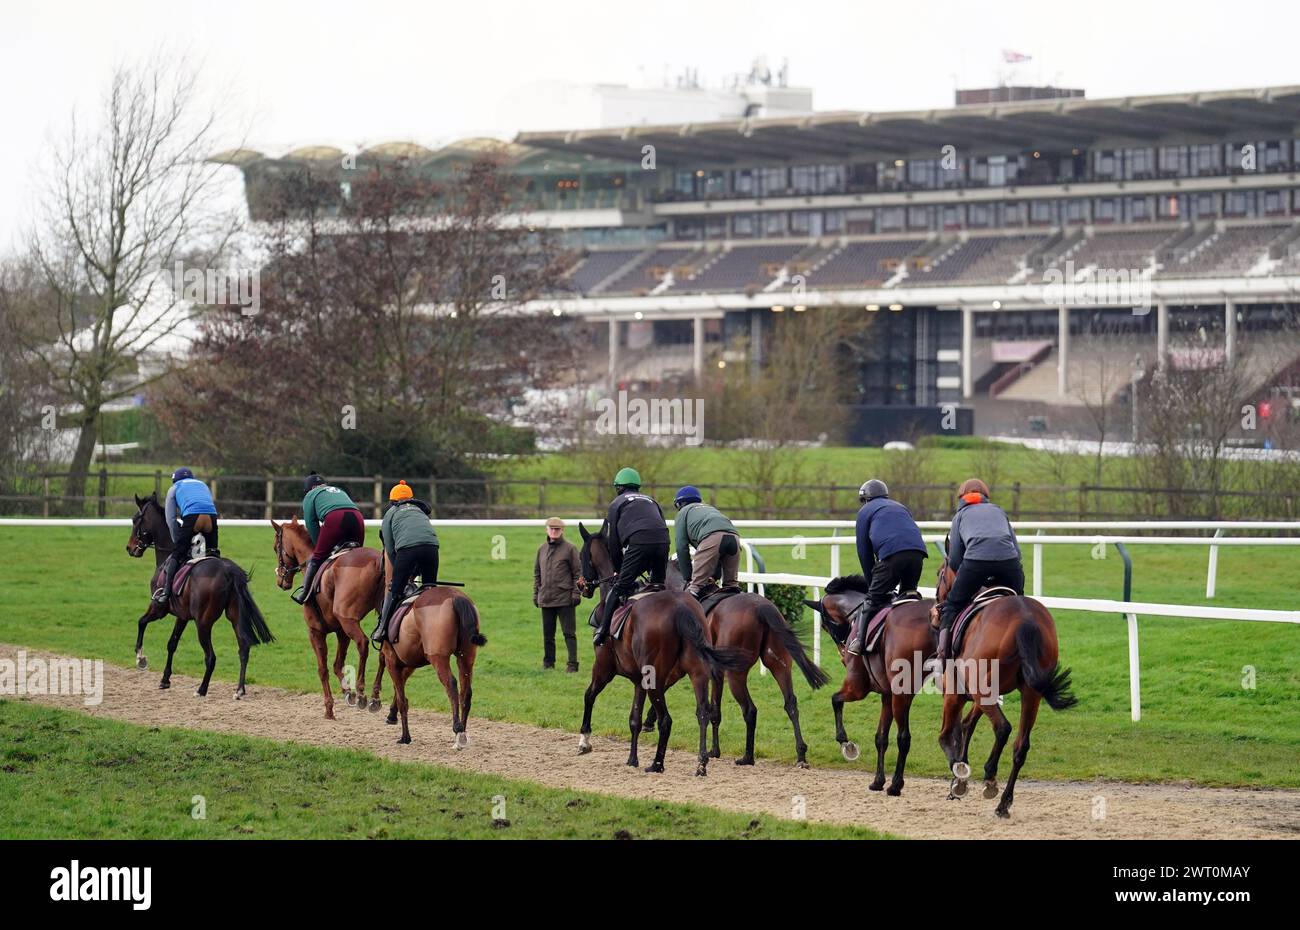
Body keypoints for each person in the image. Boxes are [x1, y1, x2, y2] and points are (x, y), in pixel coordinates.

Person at [936, 478, 1023, 662]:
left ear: (961, 497)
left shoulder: (959, 516)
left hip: (975, 564)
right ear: (986, 496)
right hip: (1010, 564)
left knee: (951, 606)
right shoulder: (999, 511)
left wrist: (970, 578)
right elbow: (1018, 551)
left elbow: (955, 558)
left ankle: (942, 656)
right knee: (1019, 604)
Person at [847, 478, 928, 655]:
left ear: (865, 499)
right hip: (918, 554)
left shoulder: (864, 512)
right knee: (908, 598)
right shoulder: (900, 506)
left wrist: (872, 584)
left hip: (891, 556)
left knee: (872, 599)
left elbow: (864, 553)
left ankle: (859, 642)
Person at [593, 467, 669, 647]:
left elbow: (613, 542)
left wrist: (618, 570)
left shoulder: (617, 503)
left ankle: (602, 631)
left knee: (619, 587)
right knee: (657, 586)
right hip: (663, 541)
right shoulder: (652, 501)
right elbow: (660, 527)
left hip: (639, 542)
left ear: (619, 487)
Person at [373, 480, 439, 645]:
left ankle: (382, 629)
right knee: (429, 588)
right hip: (432, 549)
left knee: (394, 589)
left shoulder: (391, 513)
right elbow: (424, 537)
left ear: (392, 501)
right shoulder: (419, 510)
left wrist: (401, 573)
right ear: (411, 498)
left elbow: (389, 547)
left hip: (408, 551)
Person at [293, 473, 366, 605]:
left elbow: (311, 524)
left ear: (309, 488)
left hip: (335, 517)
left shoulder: (310, 495)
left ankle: (304, 593)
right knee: (357, 555)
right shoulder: (339, 490)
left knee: (317, 556)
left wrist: (319, 546)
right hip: (357, 517)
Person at [153, 467, 219, 603]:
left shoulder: (174, 488)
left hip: (192, 517)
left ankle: (166, 592)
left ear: (174, 480)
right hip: (211, 518)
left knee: (177, 554)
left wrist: (177, 541)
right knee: (212, 554)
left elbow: (170, 520)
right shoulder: (202, 485)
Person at [672, 486, 741, 600]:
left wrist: (689, 577)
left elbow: (681, 548)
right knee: (731, 586)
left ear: (679, 504)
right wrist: (715, 576)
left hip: (712, 538)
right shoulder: (710, 508)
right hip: (734, 538)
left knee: (694, 589)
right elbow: (718, 552)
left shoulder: (683, 512)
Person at [534, 517, 581, 671]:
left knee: (569, 634)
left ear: (562, 531)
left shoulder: (570, 548)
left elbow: (578, 573)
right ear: (546, 530)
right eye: (551, 528)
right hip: (546, 599)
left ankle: (572, 664)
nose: (554, 531)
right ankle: (548, 663)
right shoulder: (541, 549)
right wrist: (536, 594)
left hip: (565, 598)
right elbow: (537, 574)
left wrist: (576, 593)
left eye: (557, 529)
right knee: (548, 635)